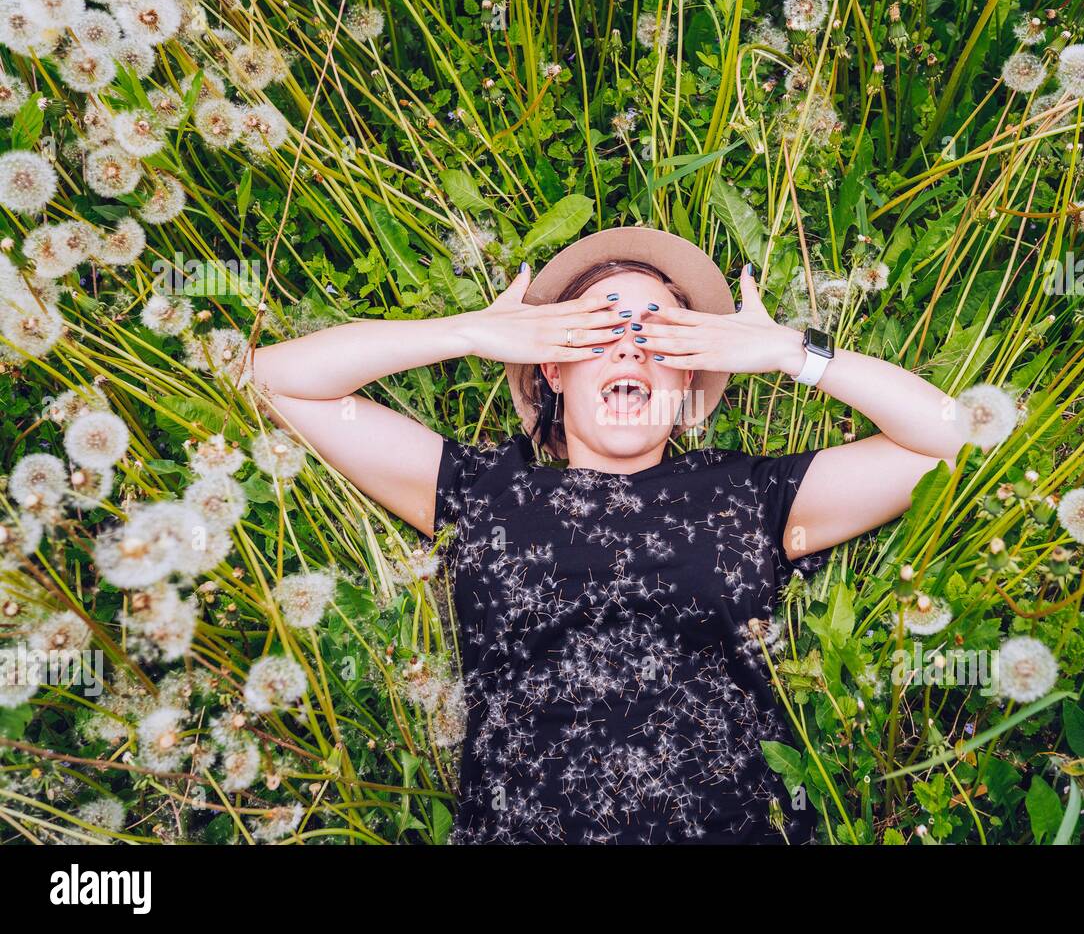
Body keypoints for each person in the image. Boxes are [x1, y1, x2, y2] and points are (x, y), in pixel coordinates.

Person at [251, 227, 963, 843]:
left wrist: (790, 353)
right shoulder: (483, 490)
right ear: (553, 367)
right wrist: (466, 332)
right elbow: (273, 380)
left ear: (688, 375)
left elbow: (954, 443)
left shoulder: (750, 494)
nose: (631, 348)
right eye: (598, 328)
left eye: (660, 333)